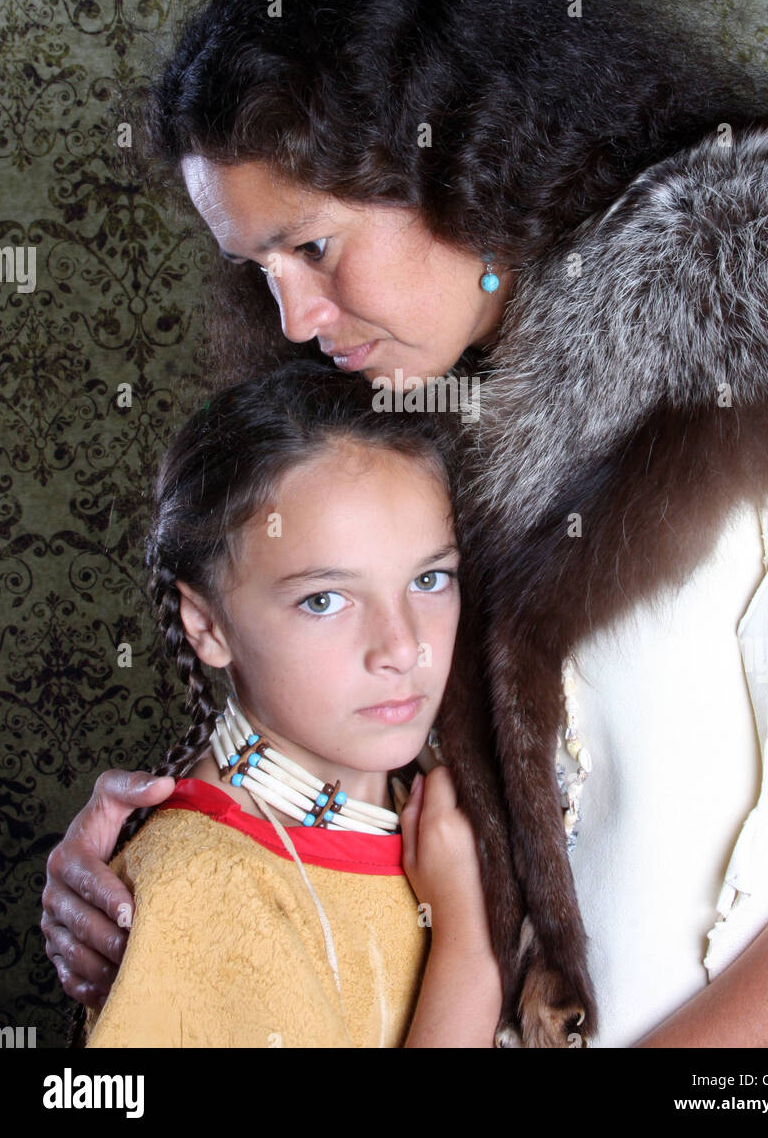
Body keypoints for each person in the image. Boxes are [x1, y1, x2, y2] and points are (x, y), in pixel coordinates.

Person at [42, 0, 768, 1047]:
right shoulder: (423, 430)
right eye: (257, 265)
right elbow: (349, 735)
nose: (292, 315)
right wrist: (155, 859)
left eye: (313, 246)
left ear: (463, 148)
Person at [79, 360, 502, 1047]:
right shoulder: (205, 890)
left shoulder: (440, 813)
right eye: (324, 600)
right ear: (206, 625)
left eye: (429, 579)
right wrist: (470, 952)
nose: (401, 648)